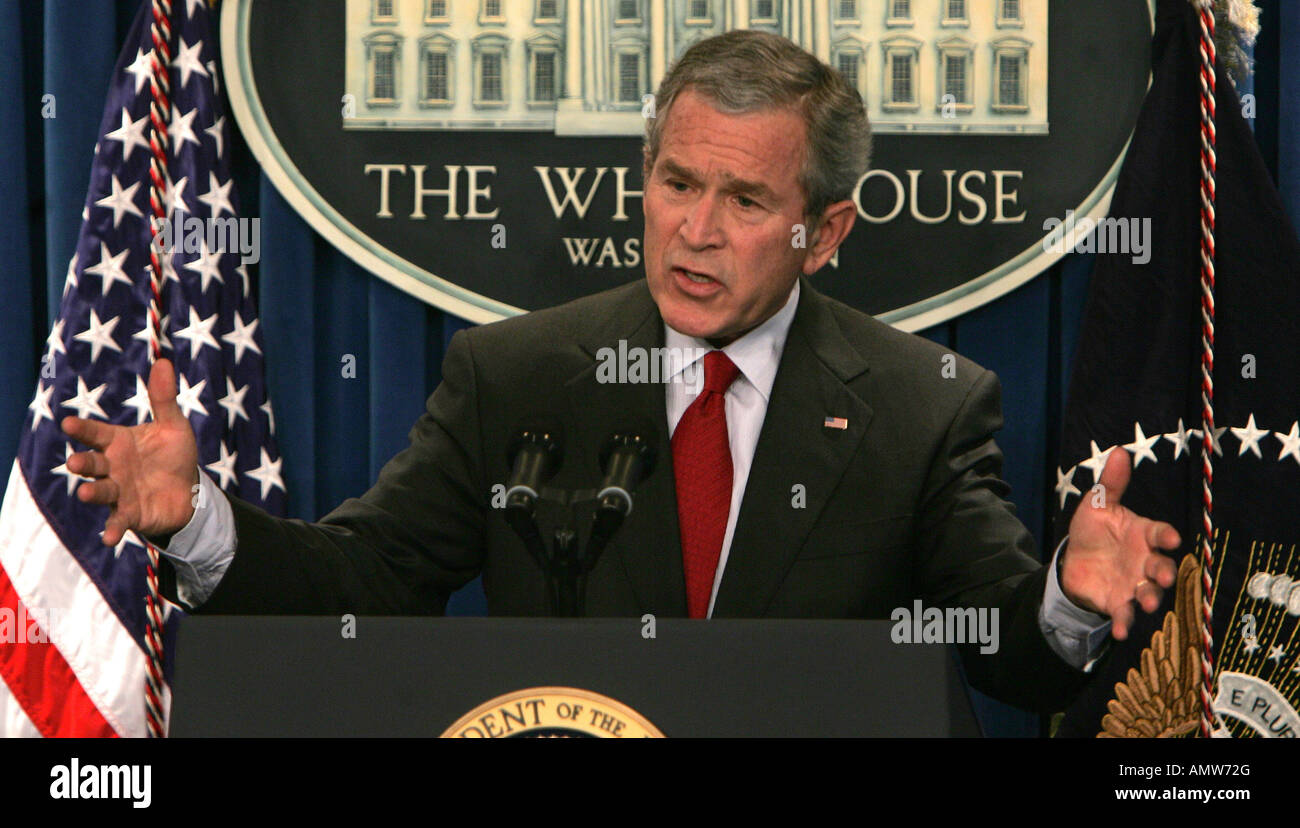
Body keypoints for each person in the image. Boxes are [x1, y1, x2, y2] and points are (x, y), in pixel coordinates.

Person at [61, 30, 1179, 712]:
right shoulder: (515, 375)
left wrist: (1065, 604)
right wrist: (200, 522)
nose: (693, 230)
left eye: (744, 202)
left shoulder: (919, 407)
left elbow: (995, 647)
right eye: (676, 182)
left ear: (824, 231)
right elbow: (365, 585)